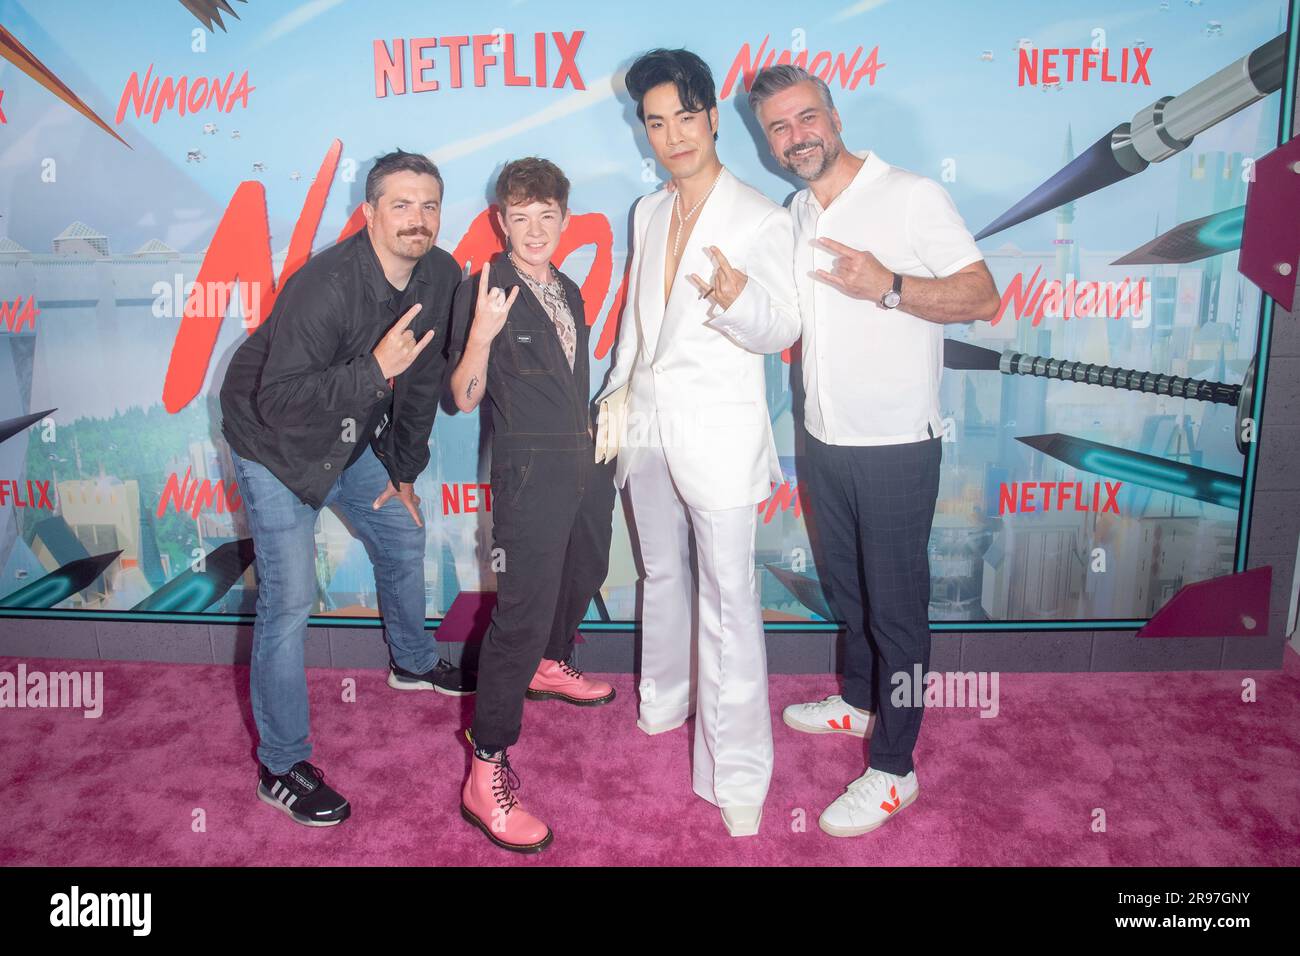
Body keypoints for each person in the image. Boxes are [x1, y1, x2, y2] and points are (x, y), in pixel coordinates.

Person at [748, 65, 1000, 836]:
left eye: (806, 118)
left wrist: (889, 284)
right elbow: (790, 323)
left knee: (896, 615)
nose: (797, 137)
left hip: (895, 446)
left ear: (835, 114)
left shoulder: (911, 195)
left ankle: (895, 768)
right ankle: (859, 701)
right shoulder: (796, 211)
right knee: (846, 590)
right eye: (779, 128)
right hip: (822, 439)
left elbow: (982, 296)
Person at [220, 149, 473, 828]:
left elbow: (419, 383)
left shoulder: (442, 275)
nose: (417, 220)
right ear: (369, 213)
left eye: (429, 205)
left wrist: (402, 474)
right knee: (290, 599)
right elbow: (277, 402)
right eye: (401, 204)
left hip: (345, 433)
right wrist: (371, 371)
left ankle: (413, 664)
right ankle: (280, 766)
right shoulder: (324, 284)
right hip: (272, 443)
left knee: (400, 529)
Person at [597, 49, 800, 837]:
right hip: (646, 421)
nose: (674, 134)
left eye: (686, 115)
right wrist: (617, 388)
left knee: (730, 603)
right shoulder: (647, 212)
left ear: (714, 117)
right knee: (657, 571)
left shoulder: (759, 216)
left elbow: (783, 324)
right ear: (644, 130)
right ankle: (663, 702)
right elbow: (636, 320)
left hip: (716, 432)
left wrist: (735, 296)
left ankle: (739, 773)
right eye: (656, 121)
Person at [448, 158, 617, 853]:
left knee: (588, 569)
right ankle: (485, 769)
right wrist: (482, 335)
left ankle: (552, 662)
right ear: (501, 222)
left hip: (583, 456)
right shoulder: (484, 287)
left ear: (563, 219)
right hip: (527, 472)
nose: (536, 229)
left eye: (548, 215)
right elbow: (461, 397)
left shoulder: (570, 289)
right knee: (518, 615)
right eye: (522, 217)